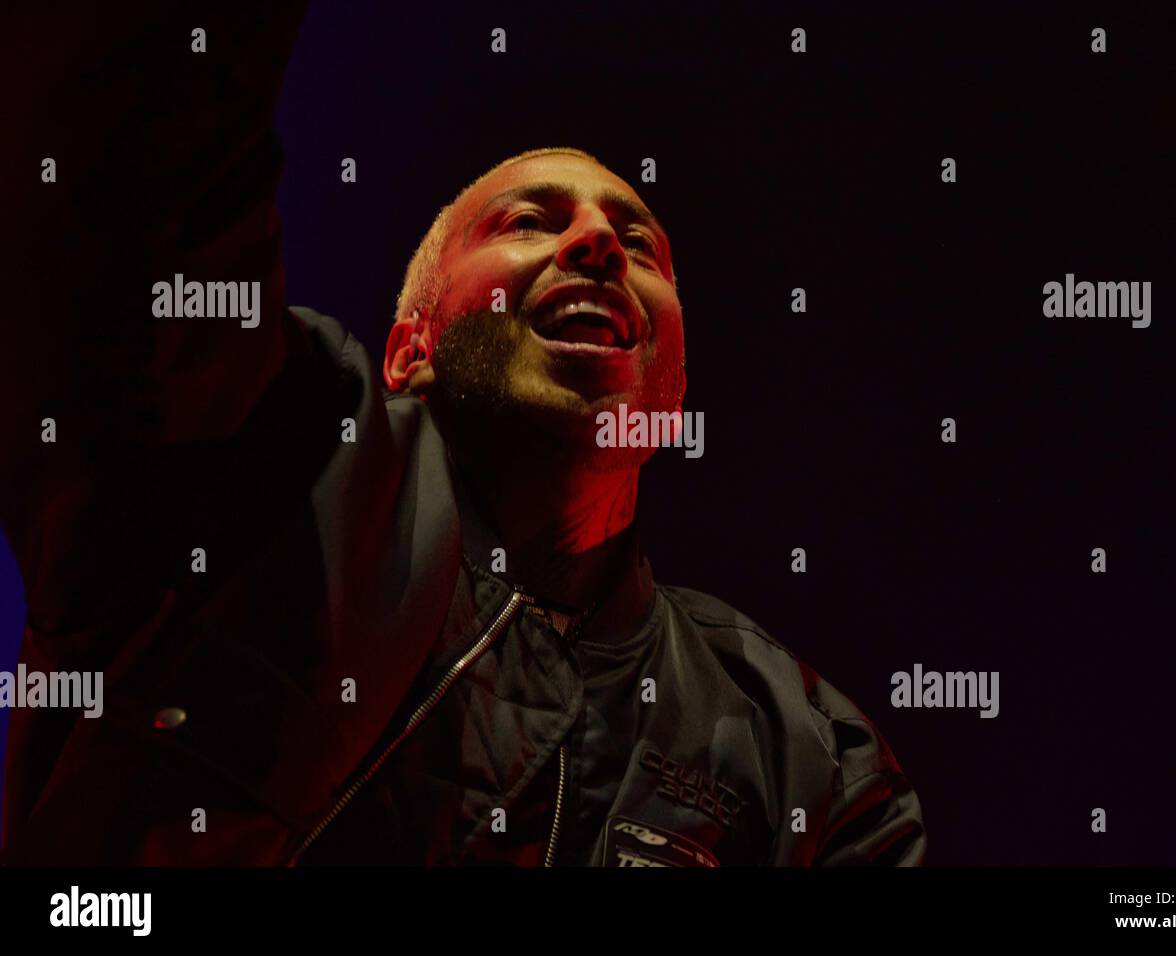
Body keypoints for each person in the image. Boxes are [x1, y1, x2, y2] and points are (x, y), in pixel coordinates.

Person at [0, 4, 924, 866]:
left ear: (672, 391)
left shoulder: (808, 752)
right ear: (412, 347)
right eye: (528, 222)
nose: (598, 243)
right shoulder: (257, 464)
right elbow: (123, 173)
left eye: (641, 245)